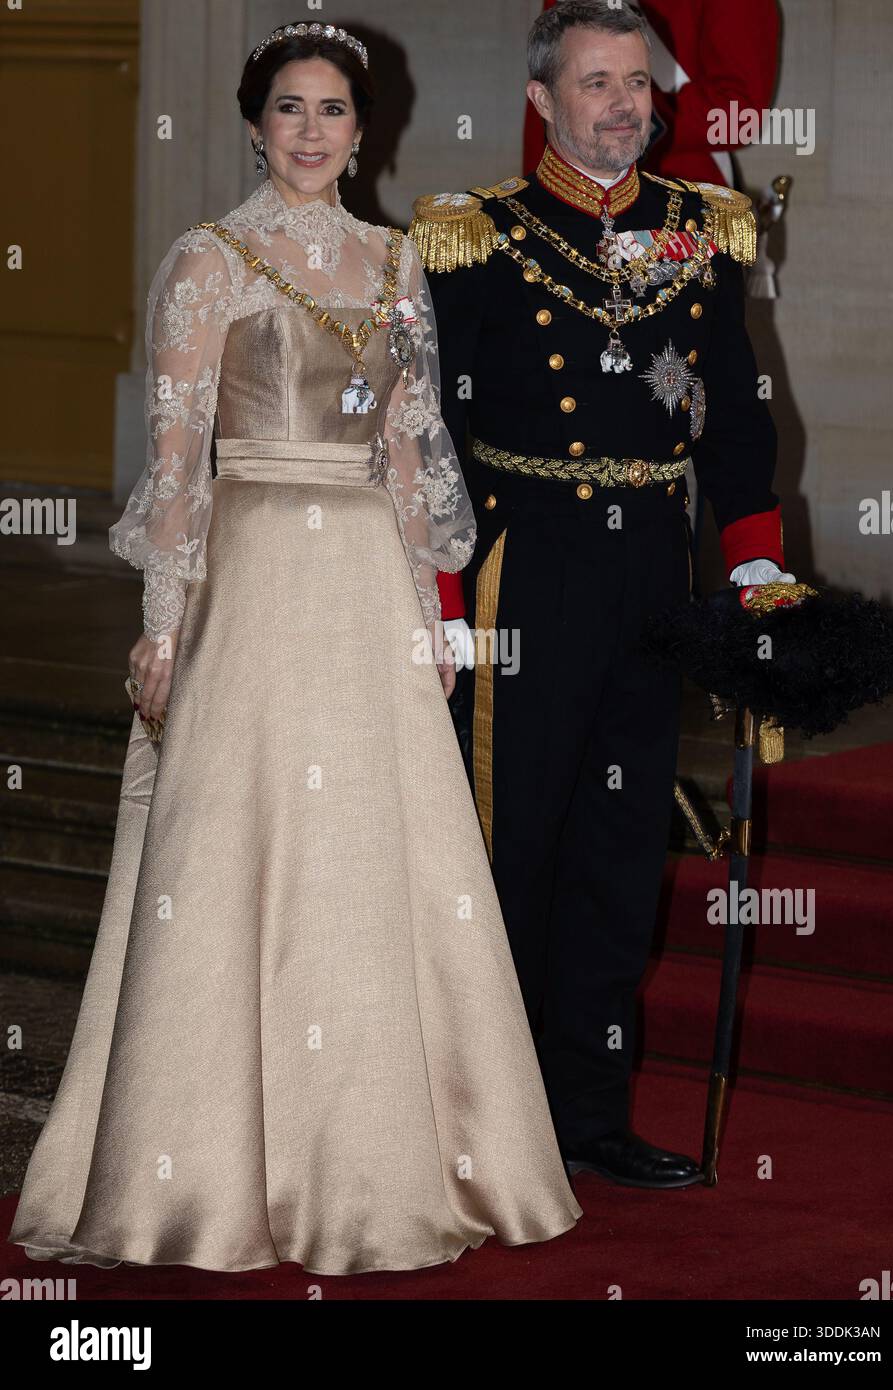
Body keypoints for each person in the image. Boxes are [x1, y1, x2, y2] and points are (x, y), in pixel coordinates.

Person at [8, 20, 581, 1276]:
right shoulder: (204, 261)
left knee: (375, 853)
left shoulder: (393, 260)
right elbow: (174, 468)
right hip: (253, 577)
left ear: (361, 131)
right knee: (233, 849)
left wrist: (438, 612)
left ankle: (388, 1153)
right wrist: (162, 630)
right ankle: (200, 1165)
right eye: (288, 108)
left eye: (331, 111)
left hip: (368, 580)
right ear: (254, 123)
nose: (311, 131)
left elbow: (417, 445)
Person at [412, 0, 794, 1188]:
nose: (623, 105)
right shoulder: (478, 238)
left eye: (638, 84)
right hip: (524, 571)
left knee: (621, 851)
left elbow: (731, 417)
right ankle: (481, 1118)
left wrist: (754, 565)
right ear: (542, 101)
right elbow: (435, 443)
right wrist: (436, 605)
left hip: (651, 571)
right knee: (510, 844)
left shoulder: (698, 230)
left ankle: (587, 1115)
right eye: (595, 83)